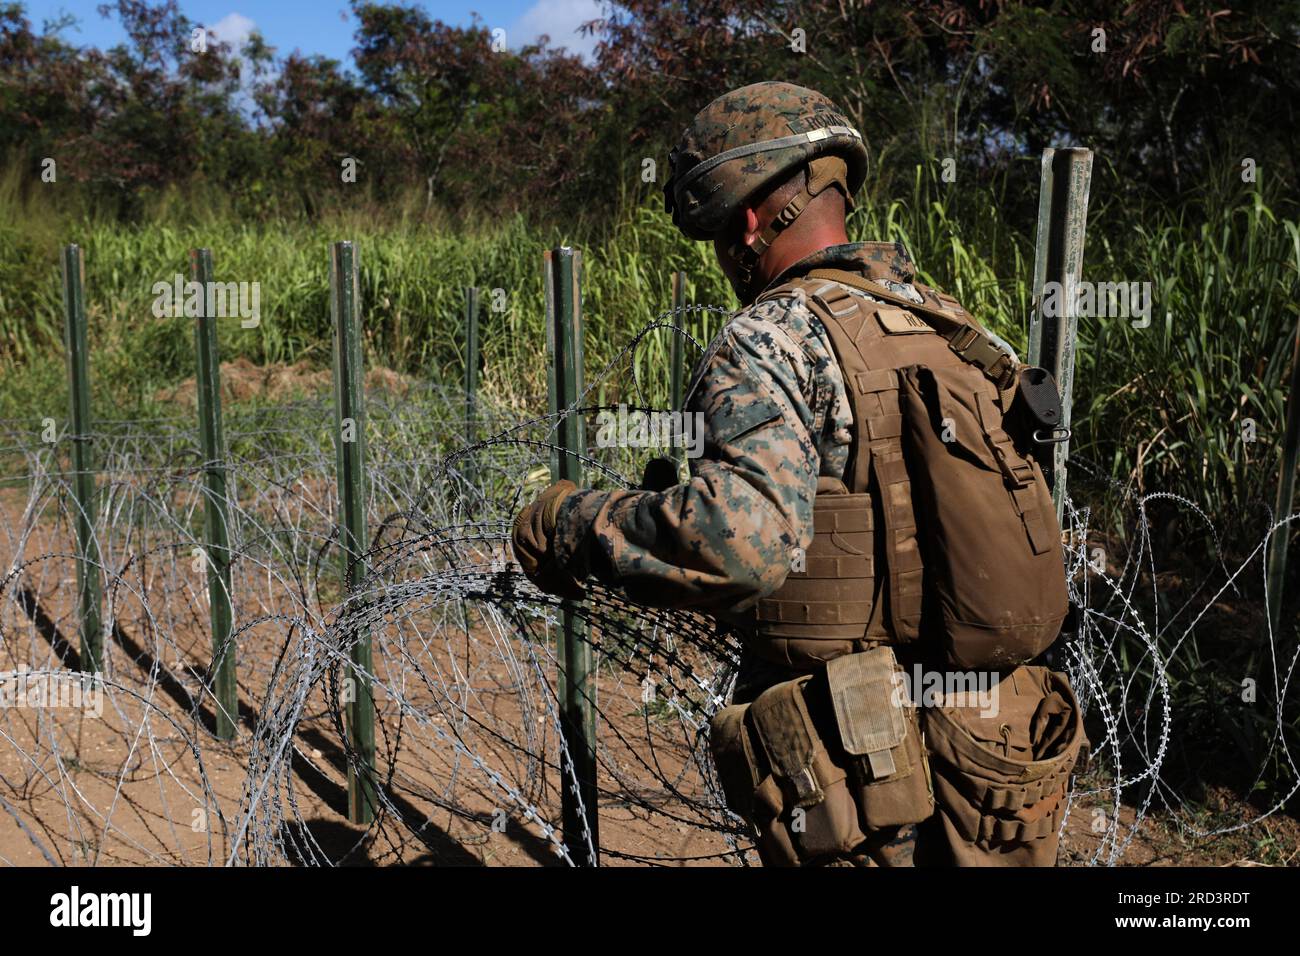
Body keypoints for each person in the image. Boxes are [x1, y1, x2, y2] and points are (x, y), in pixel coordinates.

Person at [512, 81, 1086, 867]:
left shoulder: (771, 337)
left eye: (716, 235)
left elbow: (737, 545)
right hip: (995, 758)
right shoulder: (957, 328)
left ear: (746, 220)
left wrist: (572, 522)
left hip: (863, 770)